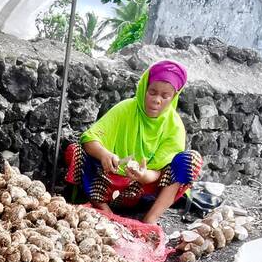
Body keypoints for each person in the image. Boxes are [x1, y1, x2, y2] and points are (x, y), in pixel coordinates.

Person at [63, 60, 203, 225]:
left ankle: (150, 218)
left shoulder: (175, 126)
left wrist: (144, 176)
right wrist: (104, 154)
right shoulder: (125, 109)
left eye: (165, 96)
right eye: (152, 92)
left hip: (143, 192)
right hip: (107, 184)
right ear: (144, 89)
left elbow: (160, 171)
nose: (157, 100)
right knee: (75, 151)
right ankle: (103, 208)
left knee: (191, 160)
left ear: (173, 98)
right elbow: (89, 139)